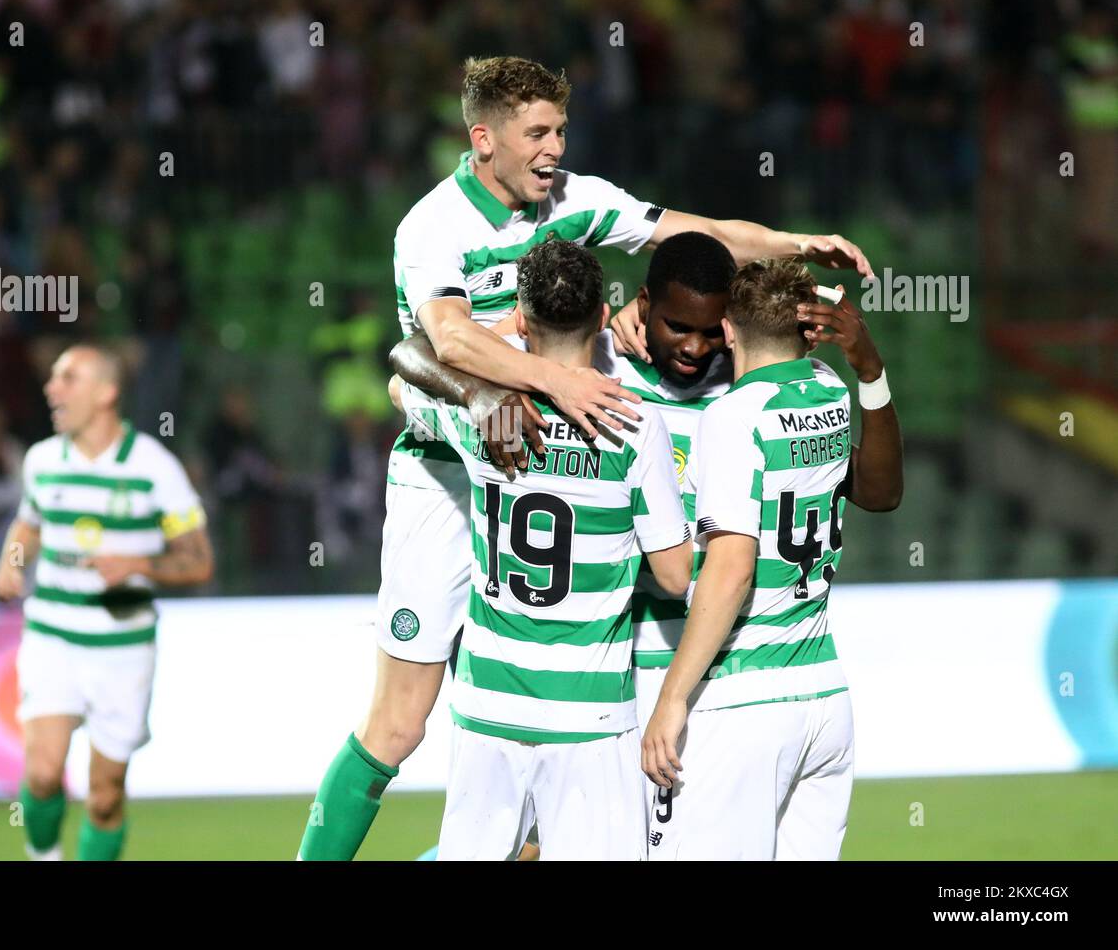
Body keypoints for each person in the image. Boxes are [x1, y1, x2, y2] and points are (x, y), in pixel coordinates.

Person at [298, 54, 872, 860]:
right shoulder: (432, 227)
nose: (553, 149)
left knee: (543, 763)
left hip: (561, 470)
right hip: (449, 473)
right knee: (398, 722)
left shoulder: (578, 200)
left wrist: (793, 242)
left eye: (560, 130)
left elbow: (697, 237)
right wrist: (550, 381)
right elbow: (440, 343)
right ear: (483, 138)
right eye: (536, 132)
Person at [391, 232, 903, 857]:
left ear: (734, 329)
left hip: (695, 679)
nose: (694, 347)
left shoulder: (752, 393)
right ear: (636, 309)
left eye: (711, 331)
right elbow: (426, 357)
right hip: (617, 675)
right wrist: (484, 390)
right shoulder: (596, 370)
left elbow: (867, 490)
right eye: (676, 326)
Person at [397, 240, 692, 859]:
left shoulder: (496, 414)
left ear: (525, 320)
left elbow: (404, 374)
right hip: (587, 717)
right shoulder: (632, 424)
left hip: (488, 705)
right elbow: (672, 573)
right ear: (605, 313)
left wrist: (483, 371)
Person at [641, 258, 893, 859]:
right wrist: (869, 367)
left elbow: (732, 568)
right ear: (807, 331)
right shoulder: (830, 392)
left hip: (748, 699)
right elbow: (882, 493)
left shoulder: (732, 417)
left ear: (728, 329)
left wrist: (673, 697)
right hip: (825, 696)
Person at [0, 345, 212, 861]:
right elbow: (30, 521)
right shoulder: (42, 460)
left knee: (105, 797)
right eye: (52, 377)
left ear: (106, 392)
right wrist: (12, 561)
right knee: (43, 775)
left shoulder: (155, 467)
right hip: (52, 634)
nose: (52, 388)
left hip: (123, 647)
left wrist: (138, 565)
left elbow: (198, 562)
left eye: (68, 377)